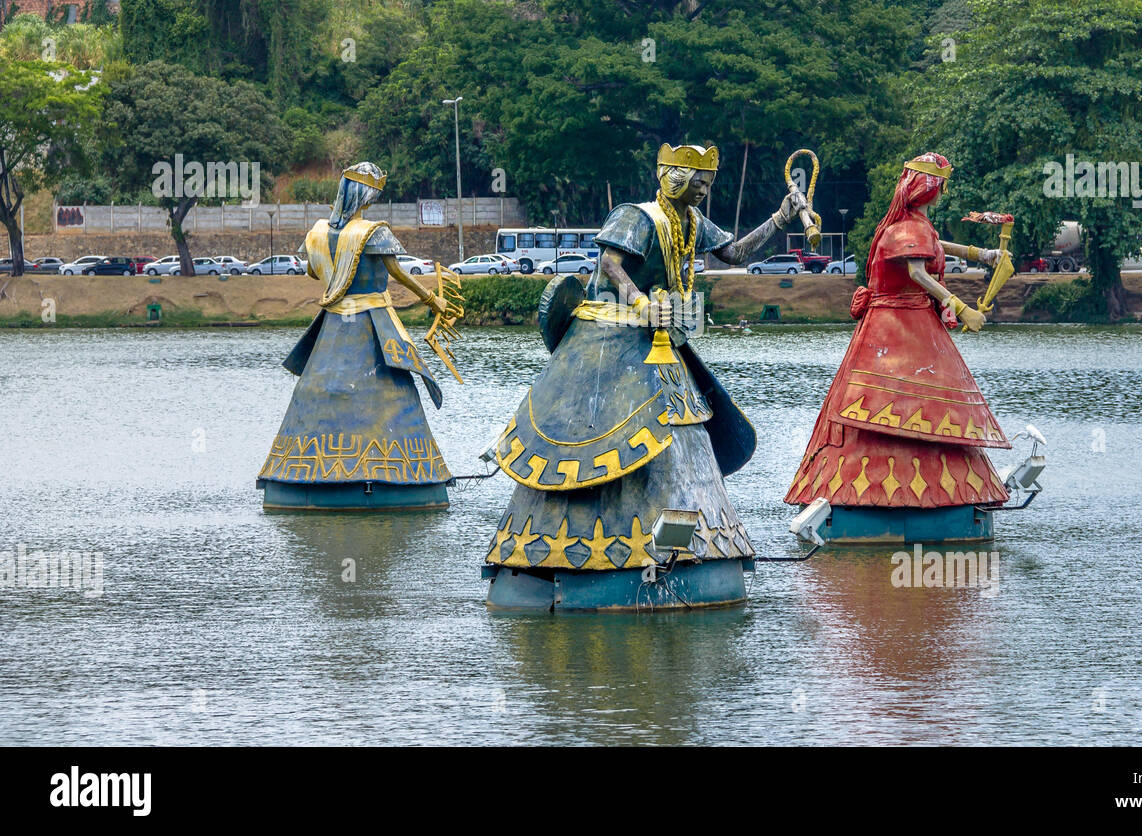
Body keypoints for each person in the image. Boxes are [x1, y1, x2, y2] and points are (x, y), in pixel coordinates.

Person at [484, 143, 809, 609]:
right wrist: (640, 301)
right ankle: (588, 557)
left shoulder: (692, 222)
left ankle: (683, 547)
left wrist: (780, 219)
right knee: (599, 437)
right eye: (697, 183)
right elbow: (609, 264)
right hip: (609, 340)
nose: (703, 191)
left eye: (708, 185)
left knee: (677, 437)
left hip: (662, 342)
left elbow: (734, 253)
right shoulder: (636, 215)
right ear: (673, 177)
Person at [786, 154, 1012, 533]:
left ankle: (926, 501)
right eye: (940, 187)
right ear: (930, 189)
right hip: (897, 328)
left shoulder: (912, 225)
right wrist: (959, 306)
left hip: (901, 326)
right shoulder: (905, 228)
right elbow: (917, 271)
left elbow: (937, 245)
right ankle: (885, 506)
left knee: (911, 407)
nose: (941, 194)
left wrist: (983, 255)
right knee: (890, 407)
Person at [257, 162, 464, 511]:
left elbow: (311, 271)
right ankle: (400, 479)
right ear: (365, 197)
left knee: (318, 391)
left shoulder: (318, 232)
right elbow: (397, 272)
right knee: (391, 392)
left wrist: (337, 270)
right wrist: (432, 298)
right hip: (371, 322)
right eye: (374, 195)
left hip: (332, 329)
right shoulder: (374, 233)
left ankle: (298, 477)